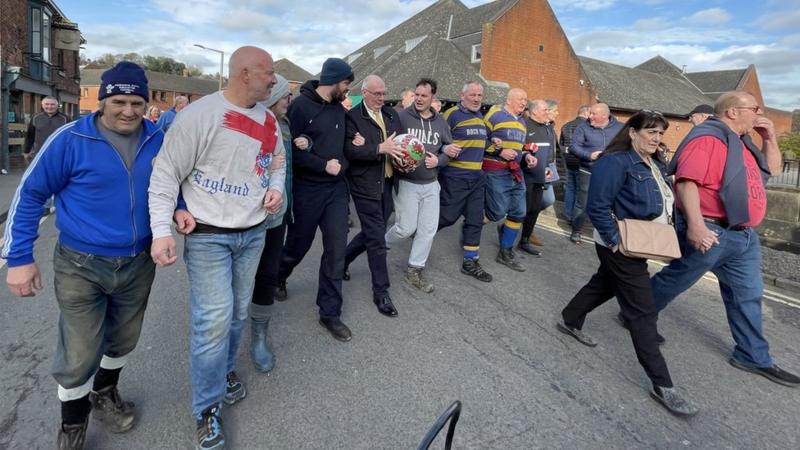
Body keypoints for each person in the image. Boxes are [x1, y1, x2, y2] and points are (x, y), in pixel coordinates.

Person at [3, 62, 163, 449]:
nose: (128, 110)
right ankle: (72, 424)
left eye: (137, 102)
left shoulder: (158, 137)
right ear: (104, 100)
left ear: (147, 103)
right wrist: (19, 258)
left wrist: (179, 210)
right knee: (79, 351)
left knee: (123, 339)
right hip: (81, 264)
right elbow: (29, 196)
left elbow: (173, 185)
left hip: (139, 262)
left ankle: (105, 393)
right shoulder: (70, 139)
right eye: (119, 101)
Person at [148, 46, 285, 450]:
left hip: (253, 234)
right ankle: (206, 410)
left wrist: (275, 189)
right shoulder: (198, 116)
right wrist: (161, 229)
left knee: (237, 314)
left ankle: (224, 372)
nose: (274, 79)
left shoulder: (268, 120)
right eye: (269, 72)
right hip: (209, 235)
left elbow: (275, 161)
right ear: (244, 73)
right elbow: (165, 174)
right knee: (213, 322)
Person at [649, 91, 800, 387]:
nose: (759, 113)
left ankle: (752, 355)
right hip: (711, 228)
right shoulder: (708, 138)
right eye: (754, 108)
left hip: (743, 235)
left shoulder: (741, 143)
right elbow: (687, 182)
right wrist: (695, 225)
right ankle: (637, 313)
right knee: (676, 279)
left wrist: (770, 138)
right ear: (732, 112)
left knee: (748, 294)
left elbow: (774, 170)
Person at [557, 110, 698, 416]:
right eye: (650, 132)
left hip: (641, 241)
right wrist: (614, 241)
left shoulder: (655, 164)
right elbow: (597, 204)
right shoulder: (614, 161)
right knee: (642, 310)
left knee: (604, 284)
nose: (656, 138)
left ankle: (570, 318)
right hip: (621, 244)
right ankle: (663, 384)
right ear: (632, 132)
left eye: (660, 133)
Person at [277, 58, 354, 341]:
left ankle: (330, 313)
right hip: (307, 189)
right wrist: (322, 165)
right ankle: (279, 276)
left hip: (335, 190)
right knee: (297, 246)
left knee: (336, 250)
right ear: (334, 81)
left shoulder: (339, 111)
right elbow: (287, 150)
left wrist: (352, 152)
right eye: (346, 84)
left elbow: (346, 145)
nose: (347, 90)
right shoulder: (299, 107)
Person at [387, 78, 456, 293]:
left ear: (432, 98)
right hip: (407, 182)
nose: (418, 99)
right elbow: (388, 142)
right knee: (405, 228)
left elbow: (449, 149)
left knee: (428, 229)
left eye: (424, 96)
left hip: (431, 183)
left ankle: (414, 270)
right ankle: (378, 244)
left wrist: (440, 161)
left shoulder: (440, 122)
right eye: (416, 94)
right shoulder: (401, 117)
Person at [343, 74, 404, 316]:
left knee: (372, 232)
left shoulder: (391, 115)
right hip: (365, 186)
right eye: (376, 93)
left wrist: (405, 156)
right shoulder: (353, 117)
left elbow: (400, 142)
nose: (381, 98)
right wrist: (379, 148)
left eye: (383, 93)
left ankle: (342, 261)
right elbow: (349, 151)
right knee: (378, 240)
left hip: (387, 183)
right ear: (364, 92)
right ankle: (381, 292)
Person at [249, 74, 295, 373]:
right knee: (240, 279)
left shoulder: (286, 126)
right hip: (250, 217)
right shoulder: (253, 125)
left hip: (279, 215)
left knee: (267, 274)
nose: (290, 101)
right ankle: (227, 338)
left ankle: (259, 336)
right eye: (285, 96)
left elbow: (288, 171)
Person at [439, 81, 493, 282]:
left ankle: (470, 262)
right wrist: (445, 149)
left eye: (480, 95)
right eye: (472, 95)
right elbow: (439, 140)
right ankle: (419, 233)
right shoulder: (452, 114)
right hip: (455, 177)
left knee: (475, 219)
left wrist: (491, 143)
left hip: (477, 178)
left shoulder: (479, 117)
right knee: (446, 217)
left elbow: (479, 142)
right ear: (462, 96)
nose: (477, 99)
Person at [482, 88, 530, 272]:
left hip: (515, 172)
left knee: (519, 212)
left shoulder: (522, 122)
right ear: (509, 100)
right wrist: (499, 151)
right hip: (496, 170)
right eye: (521, 99)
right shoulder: (495, 116)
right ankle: (472, 223)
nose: (524, 102)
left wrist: (526, 156)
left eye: (525, 100)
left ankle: (505, 252)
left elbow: (518, 149)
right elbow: (480, 139)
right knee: (497, 212)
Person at [568, 103, 622, 244]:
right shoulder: (583, 127)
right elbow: (574, 147)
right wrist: (589, 155)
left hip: (611, 173)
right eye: (590, 113)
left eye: (593, 114)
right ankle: (577, 230)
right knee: (582, 202)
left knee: (611, 204)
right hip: (588, 170)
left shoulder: (620, 128)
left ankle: (611, 234)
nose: (589, 116)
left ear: (604, 115)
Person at [517, 99, 554, 256]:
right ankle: (506, 231)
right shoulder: (524, 125)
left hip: (541, 176)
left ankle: (524, 240)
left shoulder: (548, 128)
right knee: (522, 210)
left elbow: (551, 152)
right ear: (533, 112)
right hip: (525, 175)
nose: (548, 112)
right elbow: (518, 148)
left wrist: (550, 168)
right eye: (545, 110)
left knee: (534, 210)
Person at [560, 105, 590, 223]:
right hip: (581, 162)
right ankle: (576, 218)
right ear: (586, 113)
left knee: (570, 189)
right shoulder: (586, 127)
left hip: (568, 162)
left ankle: (567, 214)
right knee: (581, 191)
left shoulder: (565, 126)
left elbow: (561, 145)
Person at [23, 96, 69, 164]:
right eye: (47, 104)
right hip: (40, 153)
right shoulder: (36, 117)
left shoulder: (65, 118)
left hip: (60, 153)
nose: (49, 107)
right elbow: (30, 135)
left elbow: (71, 136)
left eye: (52, 104)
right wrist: (26, 151)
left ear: (57, 106)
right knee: (40, 174)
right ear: (42, 105)